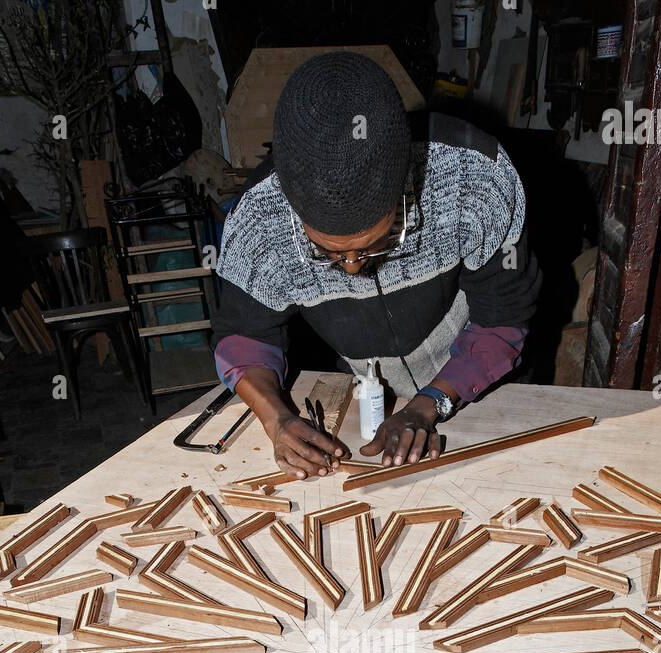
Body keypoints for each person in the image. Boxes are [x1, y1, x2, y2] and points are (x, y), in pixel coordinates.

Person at [212, 51, 541, 479]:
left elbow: (505, 318)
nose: (351, 269)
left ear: (409, 187)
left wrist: (430, 403)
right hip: (367, 387)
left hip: (483, 377)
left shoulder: (473, 178)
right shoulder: (260, 221)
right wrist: (277, 419)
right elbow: (243, 338)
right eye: (328, 252)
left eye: (375, 244)